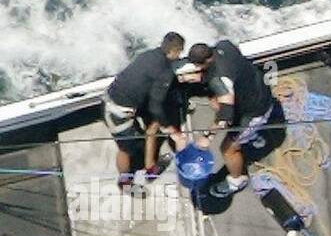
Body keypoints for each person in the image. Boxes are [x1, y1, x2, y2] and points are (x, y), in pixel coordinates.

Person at [184, 39, 282, 199]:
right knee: (217, 102)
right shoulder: (224, 45)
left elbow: (225, 117)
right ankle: (251, 135)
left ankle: (237, 180)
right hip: (258, 86)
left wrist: (207, 138)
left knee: (228, 149)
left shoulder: (221, 80)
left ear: (204, 62)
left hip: (254, 110)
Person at [102, 32, 187, 187]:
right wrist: (171, 131)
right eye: (180, 52)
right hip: (116, 112)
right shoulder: (165, 72)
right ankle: (125, 180)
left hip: (121, 97)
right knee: (126, 149)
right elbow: (156, 106)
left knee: (153, 126)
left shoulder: (147, 55)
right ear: (174, 51)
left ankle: (150, 168)